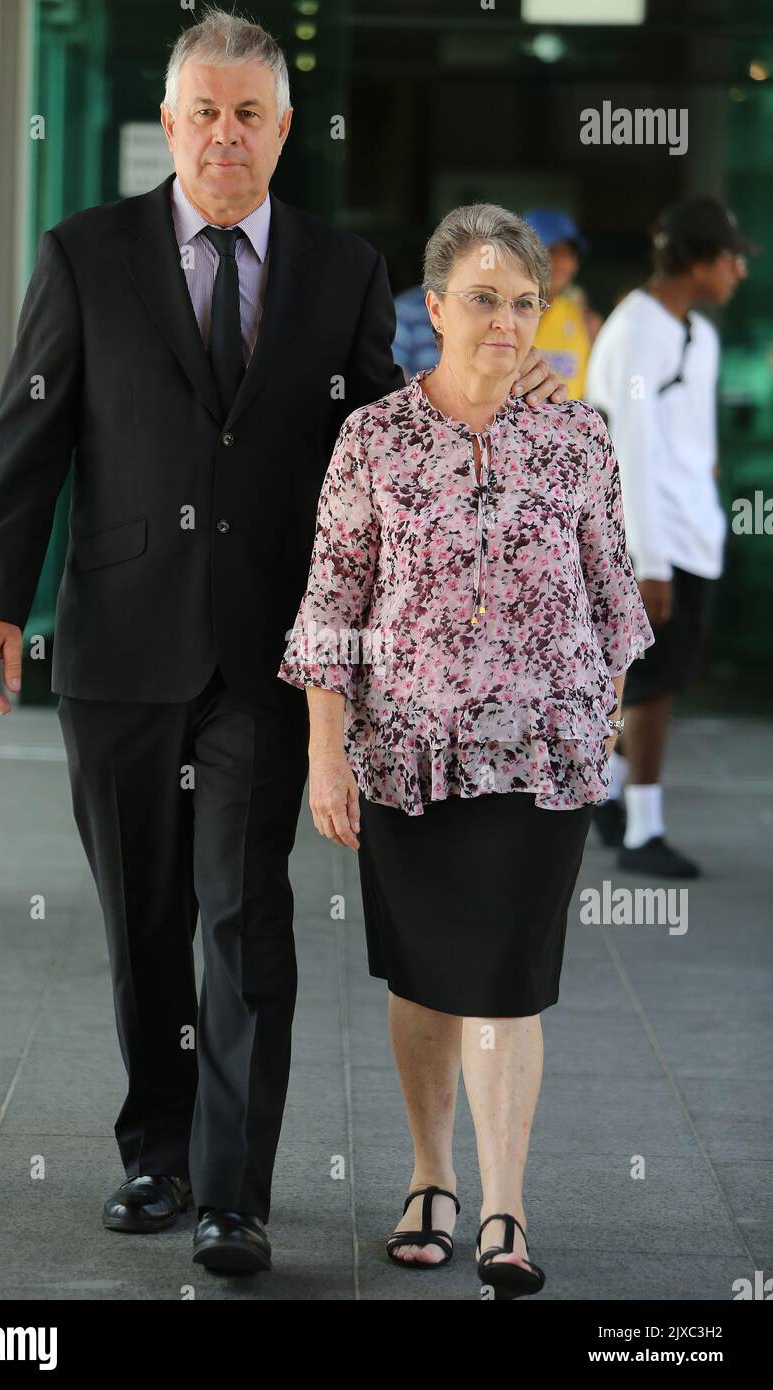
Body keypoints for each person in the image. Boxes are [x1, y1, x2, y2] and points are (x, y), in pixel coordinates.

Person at [0, 8, 567, 1277]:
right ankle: (156, 1155)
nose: (225, 135)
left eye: (249, 113)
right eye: (203, 112)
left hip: (277, 652)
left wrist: (506, 380)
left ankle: (235, 1192)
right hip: (121, 644)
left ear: (284, 128)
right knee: (143, 914)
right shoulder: (83, 256)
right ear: (170, 125)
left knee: (244, 915)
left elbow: (397, 429)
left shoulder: (342, 270)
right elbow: (30, 438)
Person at [278, 203, 654, 1298]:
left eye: (523, 301)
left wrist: (597, 719)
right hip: (411, 757)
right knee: (425, 977)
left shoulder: (577, 436)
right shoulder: (375, 440)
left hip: (543, 761)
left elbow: (614, 600)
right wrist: (327, 753)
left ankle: (504, 1209)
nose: (504, 320)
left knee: (506, 981)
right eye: (482, 298)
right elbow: (331, 607)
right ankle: (430, 1177)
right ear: (432, 308)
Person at [585, 196, 752, 877]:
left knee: (662, 679)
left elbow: (690, 448)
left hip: (691, 533)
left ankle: (604, 794)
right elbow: (629, 452)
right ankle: (641, 833)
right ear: (702, 260)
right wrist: (644, 560)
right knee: (650, 687)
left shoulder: (698, 335)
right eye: (732, 259)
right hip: (652, 543)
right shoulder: (634, 330)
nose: (738, 273)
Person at [522, 208, 602, 400]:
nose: (561, 262)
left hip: (568, 429)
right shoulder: (497, 316)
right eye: (551, 251)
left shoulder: (587, 322)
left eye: (569, 253)